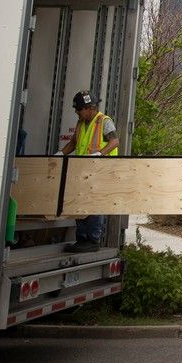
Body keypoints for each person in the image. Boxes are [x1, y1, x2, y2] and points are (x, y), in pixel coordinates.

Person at [57, 90, 119, 252]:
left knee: (93, 205)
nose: (77, 112)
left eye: (79, 109)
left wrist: (101, 154)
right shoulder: (81, 123)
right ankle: (82, 239)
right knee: (80, 203)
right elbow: (74, 143)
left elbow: (114, 142)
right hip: (83, 171)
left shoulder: (104, 121)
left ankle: (92, 240)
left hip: (100, 171)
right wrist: (60, 154)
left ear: (90, 108)